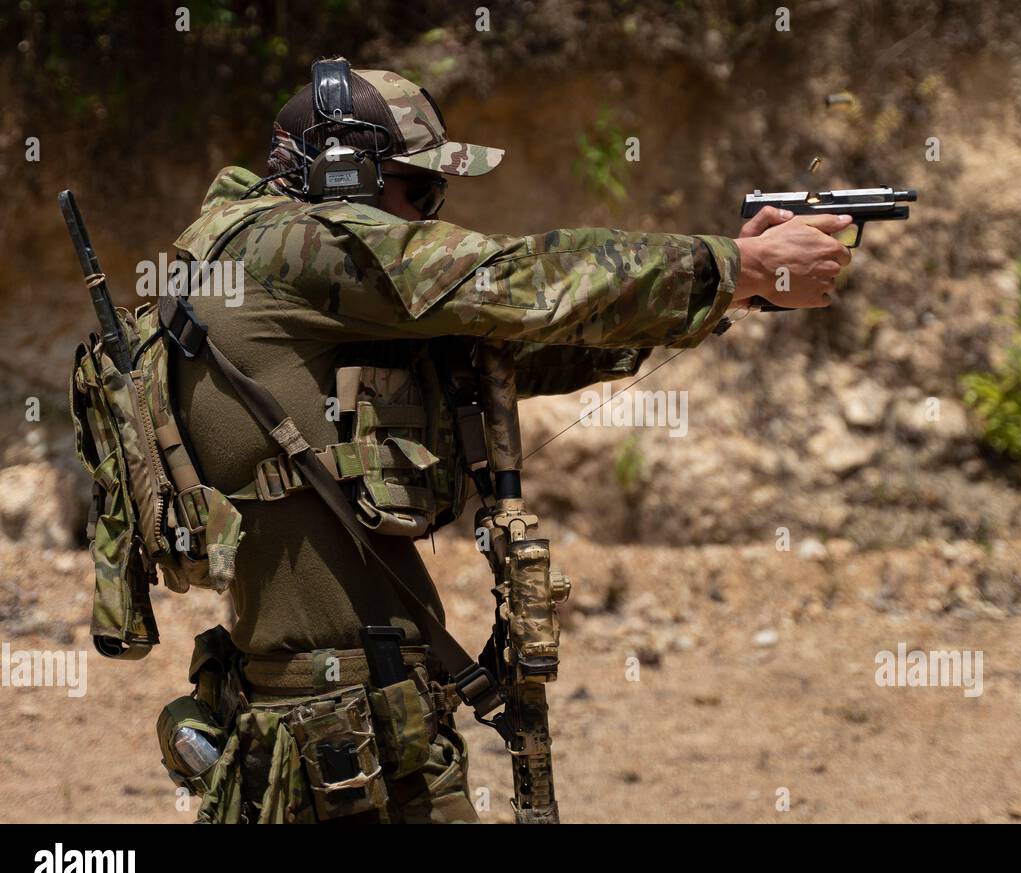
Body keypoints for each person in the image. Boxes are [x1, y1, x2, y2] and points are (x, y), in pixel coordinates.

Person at [169, 62, 852, 823]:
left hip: (314, 708)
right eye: (418, 190)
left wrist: (733, 289)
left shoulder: (244, 258)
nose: (427, 214)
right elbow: (513, 283)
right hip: (338, 724)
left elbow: (496, 350)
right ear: (341, 176)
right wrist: (732, 264)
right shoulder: (290, 248)